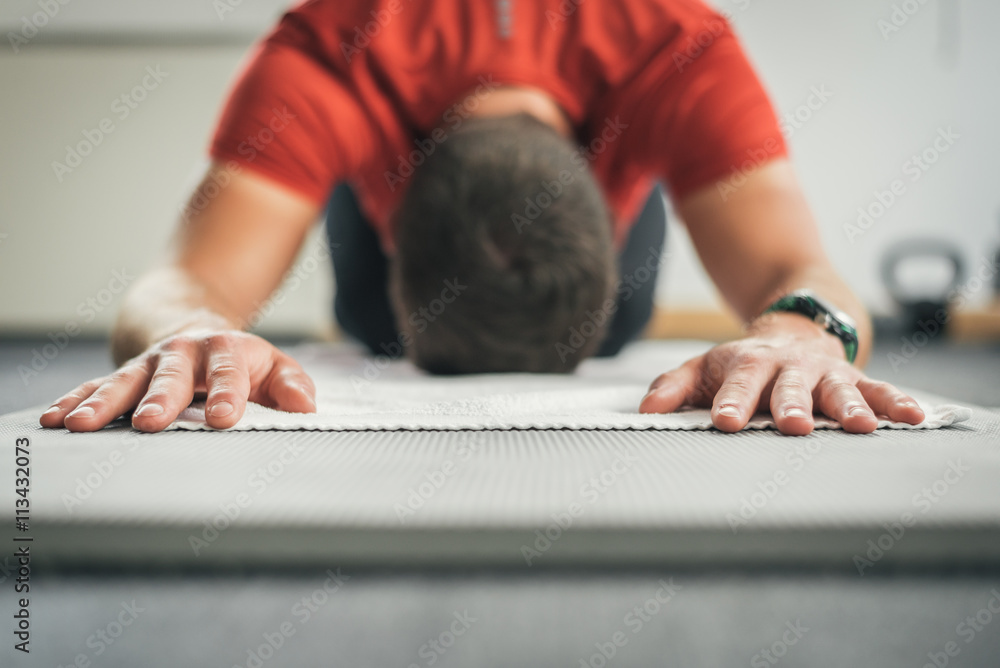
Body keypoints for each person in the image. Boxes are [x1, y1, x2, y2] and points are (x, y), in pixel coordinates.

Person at [40, 0, 925, 436]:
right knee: (377, 329)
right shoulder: (332, 52)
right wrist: (194, 330)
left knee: (612, 328)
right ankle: (396, 282)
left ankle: (586, 254)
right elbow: (182, 282)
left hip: (599, 207)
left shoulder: (672, 46)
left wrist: (802, 333)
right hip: (396, 255)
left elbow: (799, 275)